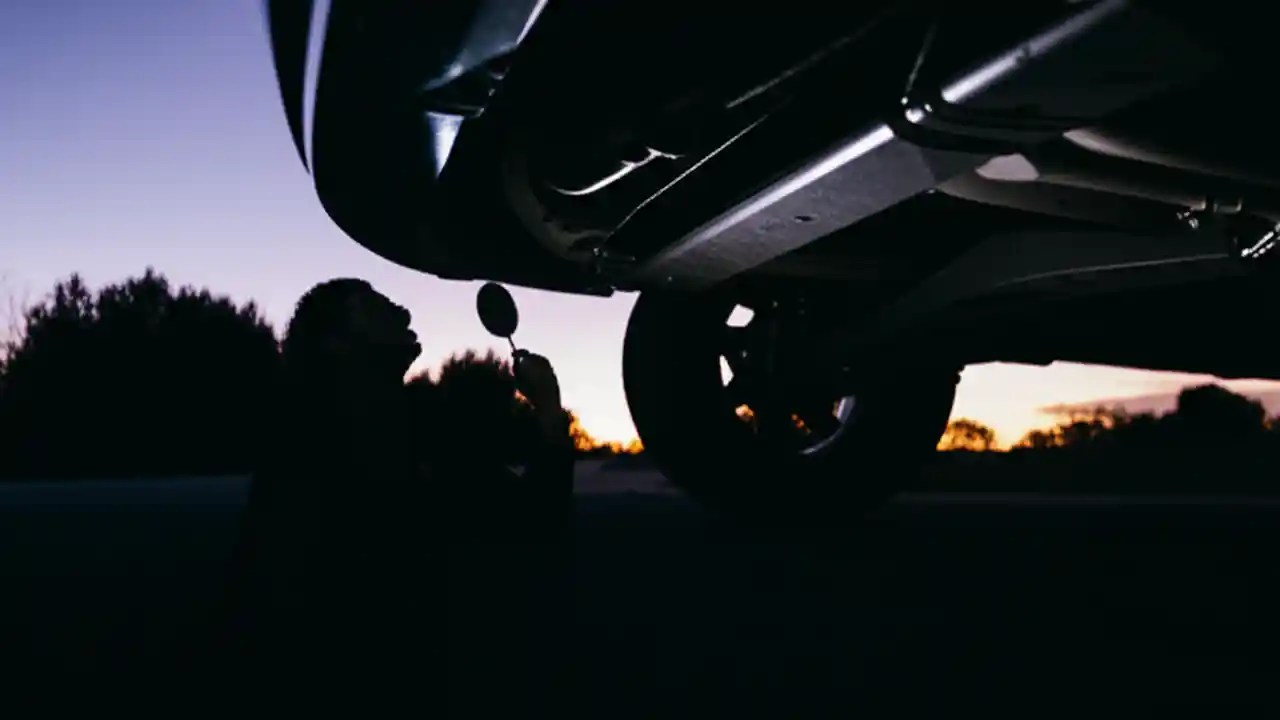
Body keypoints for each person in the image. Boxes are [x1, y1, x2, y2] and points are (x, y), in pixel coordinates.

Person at [215, 278, 575, 703]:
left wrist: (549, 412)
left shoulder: (313, 448)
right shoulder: (391, 444)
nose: (402, 312)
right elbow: (533, 520)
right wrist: (549, 412)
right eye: (374, 304)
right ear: (335, 341)